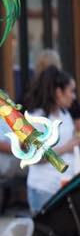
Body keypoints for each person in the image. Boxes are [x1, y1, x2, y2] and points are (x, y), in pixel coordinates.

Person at [24, 66, 80, 214]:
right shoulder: (37, 119)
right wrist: (66, 148)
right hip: (44, 189)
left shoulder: (65, 114)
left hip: (63, 188)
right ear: (58, 92)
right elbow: (34, 156)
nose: (74, 96)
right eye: (71, 91)